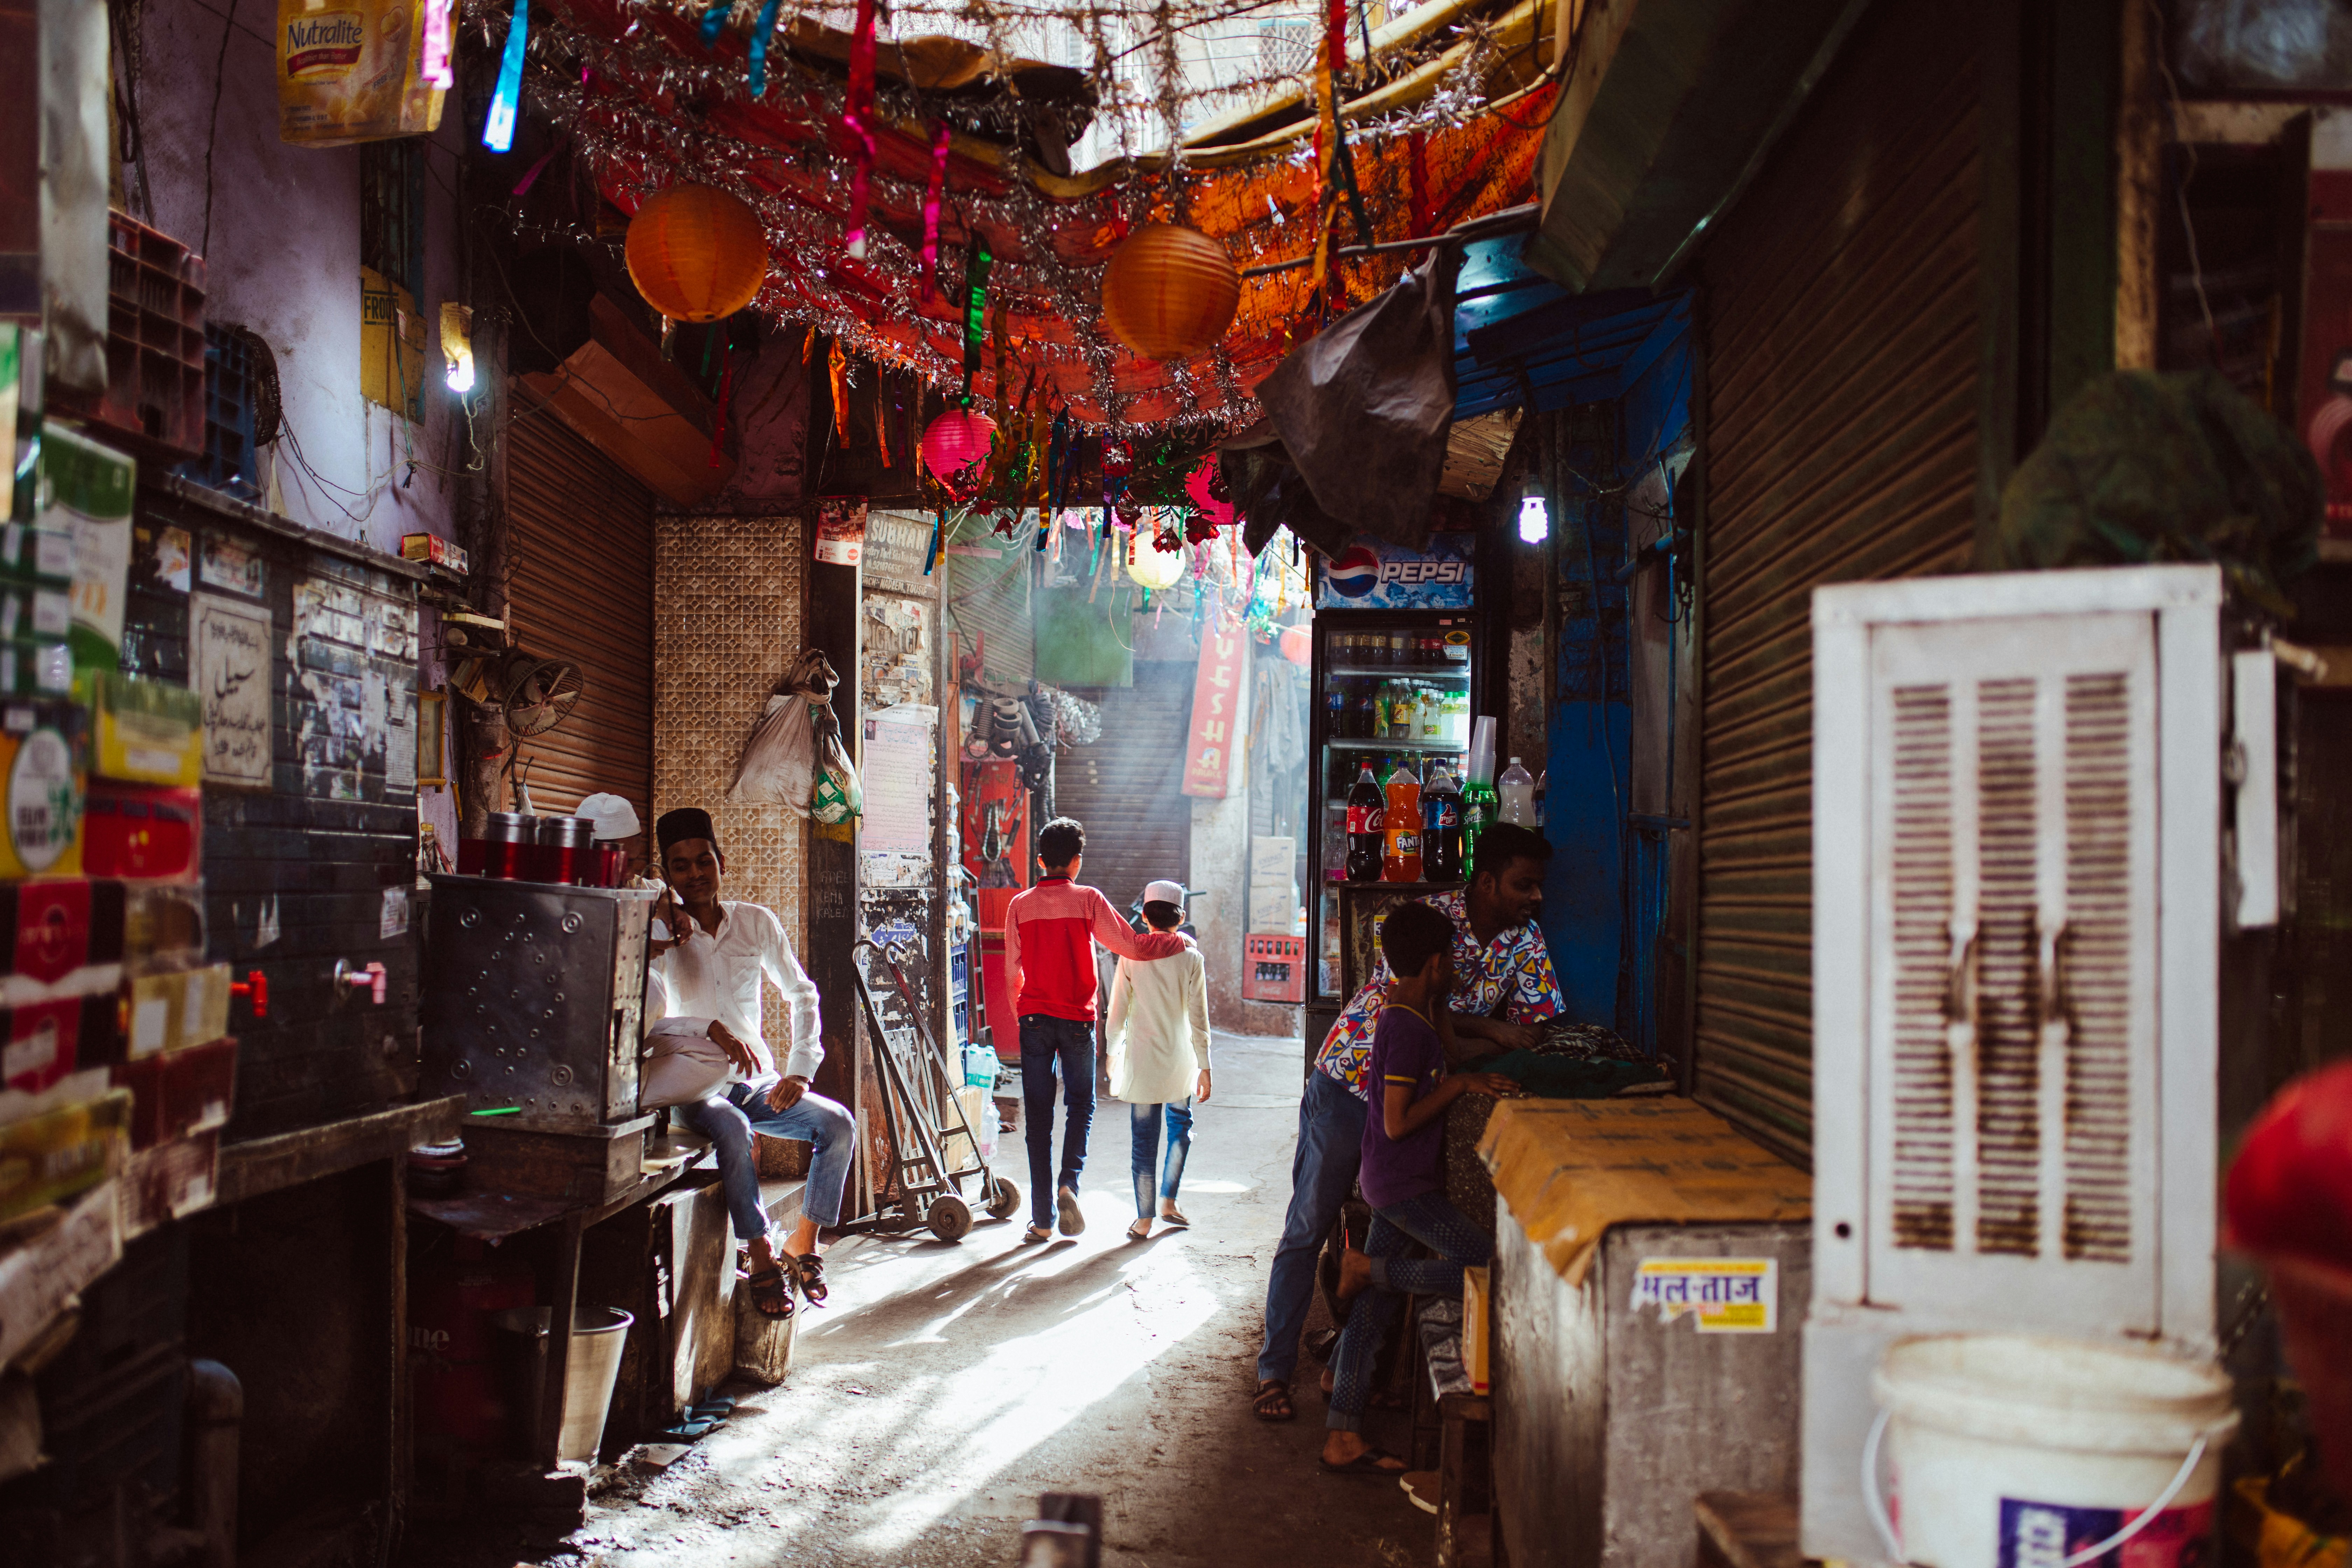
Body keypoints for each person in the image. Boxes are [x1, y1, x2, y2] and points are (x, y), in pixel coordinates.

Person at [1251, 821, 1564, 1422]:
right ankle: (1274, 1372)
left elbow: (1538, 1021)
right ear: (1488, 881)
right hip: (1350, 1083)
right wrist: (1488, 1029)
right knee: (1309, 1226)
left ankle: (1343, 1376)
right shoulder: (1426, 920)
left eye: (1539, 887)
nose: (1535, 898)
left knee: (1387, 1236)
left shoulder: (1526, 940)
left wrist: (1500, 1042)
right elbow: (1406, 1000)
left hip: (1420, 1096)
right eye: (1524, 886)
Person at [1320, 903, 1516, 1475]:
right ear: (1436, 962)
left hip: (1392, 1181)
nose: (1457, 966)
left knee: (1374, 1316)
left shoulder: (1413, 1013)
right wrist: (1459, 1086)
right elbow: (1399, 1122)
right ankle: (1367, 1270)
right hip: (1404, 1186)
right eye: (1452, 958)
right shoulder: (1404, 1028)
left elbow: (1450, 1052)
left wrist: (1442, 1012)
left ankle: (1342, 1435)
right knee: (1490, 1268)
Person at [643, 808, 856, 1321]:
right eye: (680, 866)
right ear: (667, 875)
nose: (694, 874)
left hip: (753, 1081)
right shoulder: (658, 935)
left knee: (839, 1125)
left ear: (722, 863)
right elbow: (642, 1017)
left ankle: (804, 1244)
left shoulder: (756, 922)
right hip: (695, 1091)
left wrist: (800, 1069)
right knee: (734, 1130)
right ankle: (760, 1253)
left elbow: (801, 993)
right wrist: (657, 913)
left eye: (703, 861)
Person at [1002, 818, 1190, 1244]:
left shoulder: (1020, 905)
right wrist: (1177, 942)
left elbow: (1012, 970)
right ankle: (1069, 1182)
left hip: (1033, 1018)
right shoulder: (1089, 900)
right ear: (1077, 862)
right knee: (1081, 1107)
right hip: (1077, 1020)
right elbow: (1135, 947)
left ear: (1040, 861)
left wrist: (1024, 1013)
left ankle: (1043, 1218)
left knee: (1038, 1117)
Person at [1105, 878, 1212, 1242]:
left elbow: (1117, 1012)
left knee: (1143, 1141)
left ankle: (1144, 1219)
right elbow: (1200, 1018)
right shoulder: (1192, 958)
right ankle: (1169, 1199)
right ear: (1180, 918)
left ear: (1146, 918)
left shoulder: (1131, 955)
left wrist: (1111, 1052)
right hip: (1181, 1062)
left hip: (1142, 1060)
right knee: (1181, 1129)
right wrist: (1205, 1066)